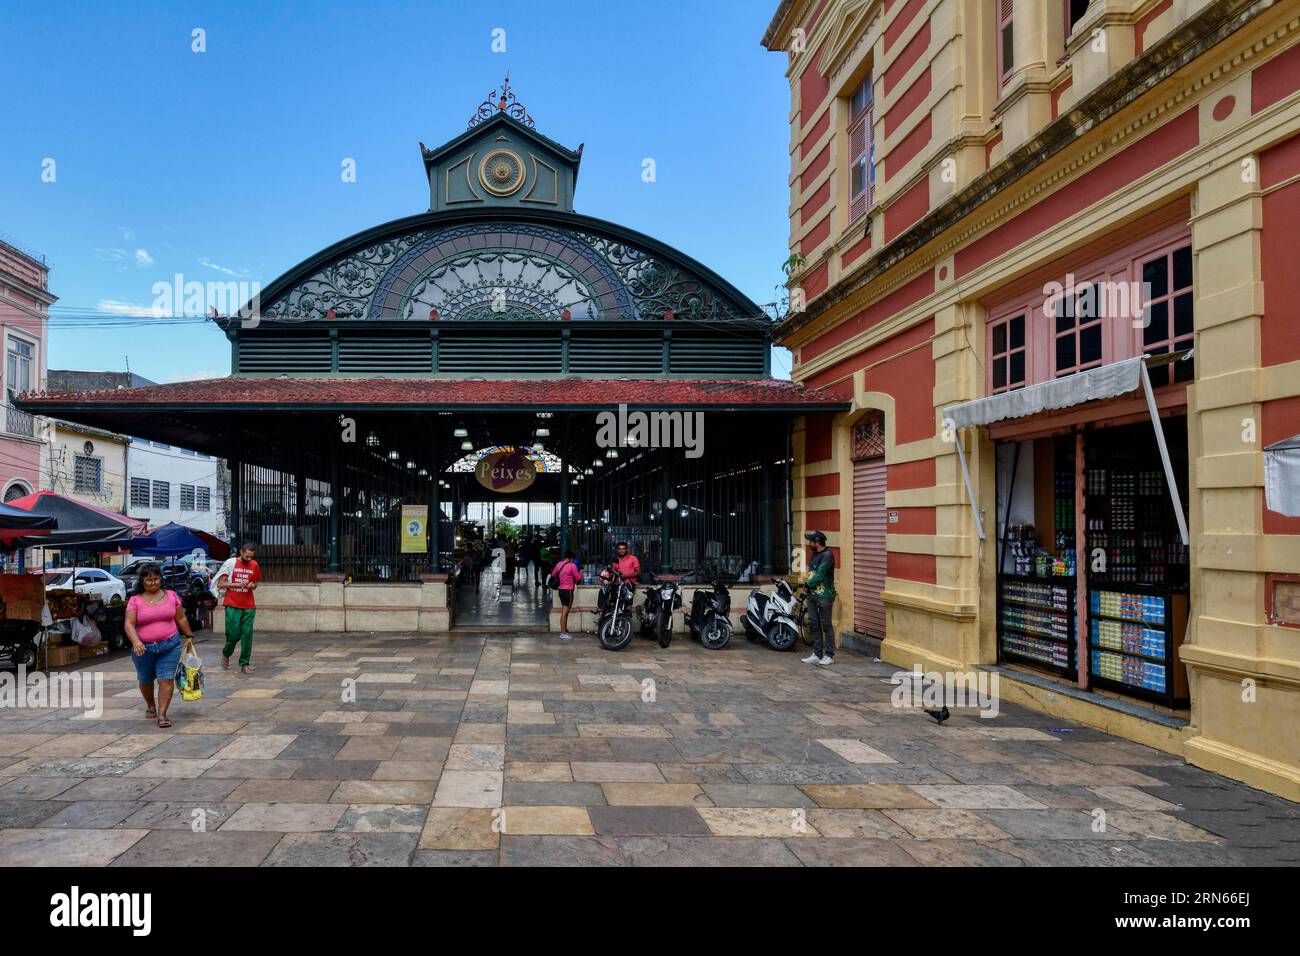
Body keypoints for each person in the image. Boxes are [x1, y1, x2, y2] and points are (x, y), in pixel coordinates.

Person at [124, 562, 196, 729]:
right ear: (142, 581)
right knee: (145, 680)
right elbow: (129, 623)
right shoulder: (135, 600)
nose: (153, 583)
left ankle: (162, 715)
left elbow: (181, 618)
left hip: (170, 645)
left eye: (156, 579)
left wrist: (189, 635)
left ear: (161, 579)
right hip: (143, 649)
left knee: (166, 679)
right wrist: (136, 642)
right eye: (148, 580)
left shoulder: (171, 596)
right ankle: (151, 705)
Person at [215, 543, 261, 673]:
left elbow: (256, 583)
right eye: (247, 556)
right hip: (232, 604)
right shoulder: (231, 564)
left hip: (249, 605)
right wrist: (238, 584)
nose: (249, 559)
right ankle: (226, 653)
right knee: (233, 635)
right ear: (241, 552)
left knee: (247, 634)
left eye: (251, 557)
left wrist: (252, 586)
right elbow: (221, 584)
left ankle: (244, 663)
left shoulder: (254, 565)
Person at [801, 530, 837, 666]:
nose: (808, 543)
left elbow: (820, 574)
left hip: (825, 595)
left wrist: (807, 584)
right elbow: (812, 573)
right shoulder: (815, 554)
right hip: (812, 594)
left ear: (817, 542)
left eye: (810, 541)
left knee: (826, 624)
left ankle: (829, 654)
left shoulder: (827, 555)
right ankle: (817, 653)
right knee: (814, 624)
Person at [552, 549, 581, 641]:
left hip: (561, 590)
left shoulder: (559, 564)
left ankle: (565, 630)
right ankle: (563, 633)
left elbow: (553, 574)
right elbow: (578, 578)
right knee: (564, 613)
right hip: (568, 591)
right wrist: (581, 573)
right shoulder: (572, 565)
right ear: (571, 558)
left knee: (565, 611)